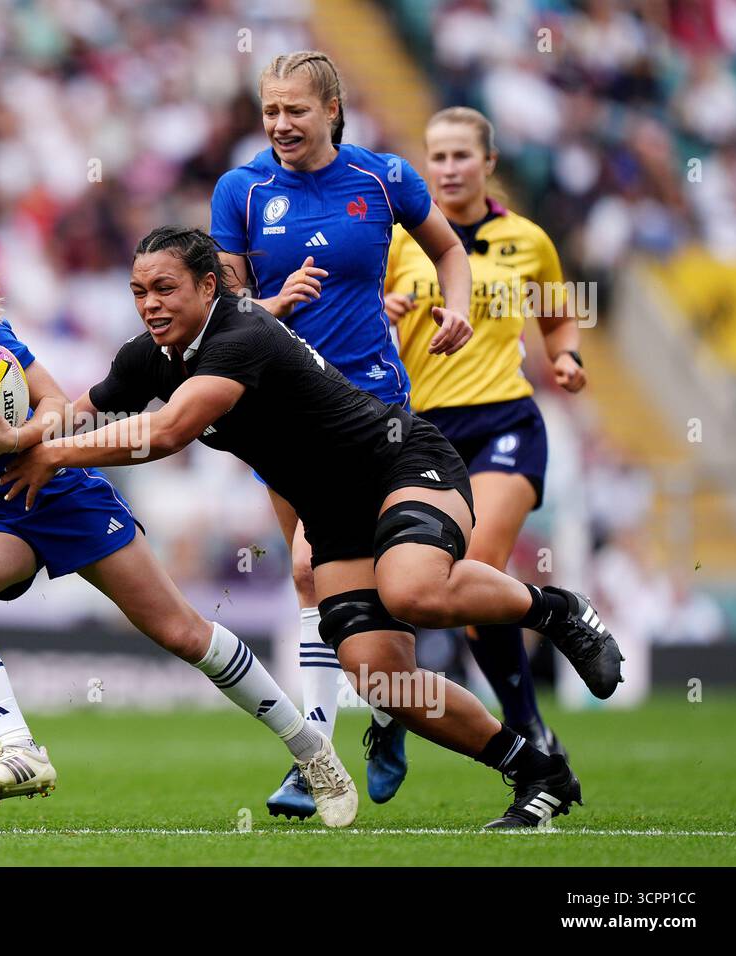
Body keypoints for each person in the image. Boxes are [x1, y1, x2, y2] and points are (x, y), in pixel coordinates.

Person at [2, 227, 624, 828]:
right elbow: (81, 411)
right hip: (333, 517)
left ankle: (558, 610)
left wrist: (52, 455)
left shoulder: (241, 334)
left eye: (164, 288)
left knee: (413, 590)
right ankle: (538, 774)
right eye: (139, 292)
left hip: (401, 464)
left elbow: (167, 432)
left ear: (209, 286)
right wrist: (19, 437)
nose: (150, 304)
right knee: (381, 679)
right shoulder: (147, 357)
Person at [0, 220, 361, 826]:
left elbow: (60, 407)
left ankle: (312, 752)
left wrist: (13, 437)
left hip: (61, 494)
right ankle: (18, 751)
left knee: (182, 633)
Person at [210, 50, 474, 816]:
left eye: (296, 109)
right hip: (283, 414)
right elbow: (226, 317)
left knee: (309, 565)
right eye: (270, 110)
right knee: (322, 583)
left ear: (332, 110)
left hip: (373, 411)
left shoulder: (382, 178)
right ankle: (388, 708)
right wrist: (275, 303)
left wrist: (455, 305)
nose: (281, 124)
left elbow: (450, 248)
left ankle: (314, 756)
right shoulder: (243, 189)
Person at [384, 106, 588, 768]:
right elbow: (354, 323)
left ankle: (526, 725)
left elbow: (560, 318)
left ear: (489, 163)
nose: (446, 169)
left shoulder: (528, 240)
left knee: (475, 567)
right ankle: (396, 710)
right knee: (424, 586)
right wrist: (379, 311)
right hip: (425, 433)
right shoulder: (397, 242)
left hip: (505, 421)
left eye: (460, 156)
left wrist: (566, 357)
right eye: (435, 157)